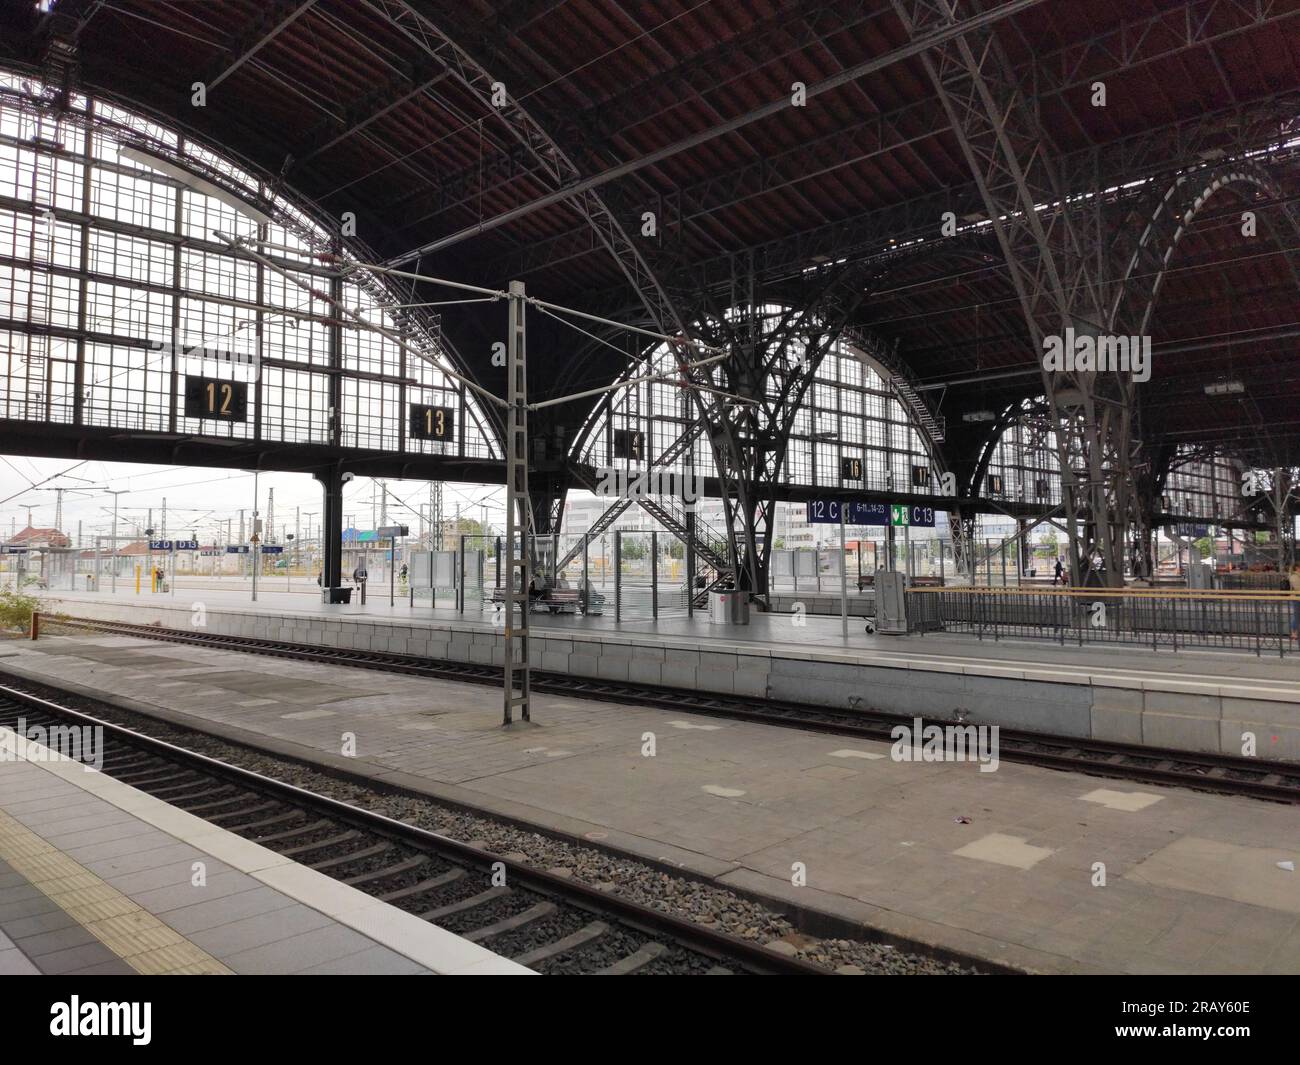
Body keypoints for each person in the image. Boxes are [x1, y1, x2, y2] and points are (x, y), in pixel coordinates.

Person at [1289, 561, 1300, 642]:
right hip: (1296, 597)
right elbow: (1297, 587)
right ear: (1297, 568)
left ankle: (1295, 632)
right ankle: (1294, 633)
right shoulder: (1294, 576)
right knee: (1296, 615)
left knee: (1297, 615)